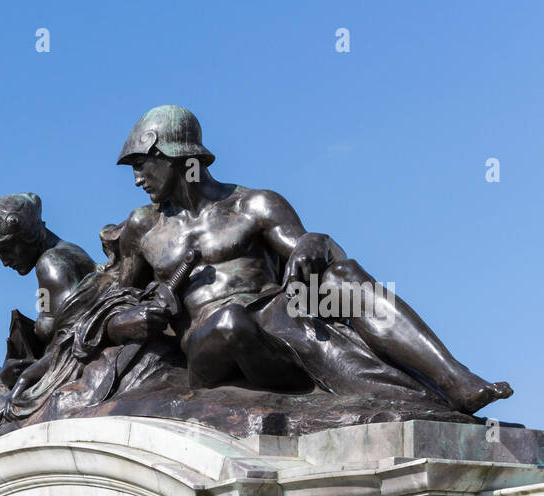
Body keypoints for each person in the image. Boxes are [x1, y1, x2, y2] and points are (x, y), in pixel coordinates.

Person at [111, 105, 511, 412]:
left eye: (143, 164)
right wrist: (128, 323)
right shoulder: (143, 227)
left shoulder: (254, 205)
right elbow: (112, 301)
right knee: (231, 321)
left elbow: (308, 248)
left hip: (276, 323)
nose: (136, 179)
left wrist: (314, 243)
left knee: (344, 277)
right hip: (209, 344)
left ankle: (455, 380)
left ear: (178, 158)